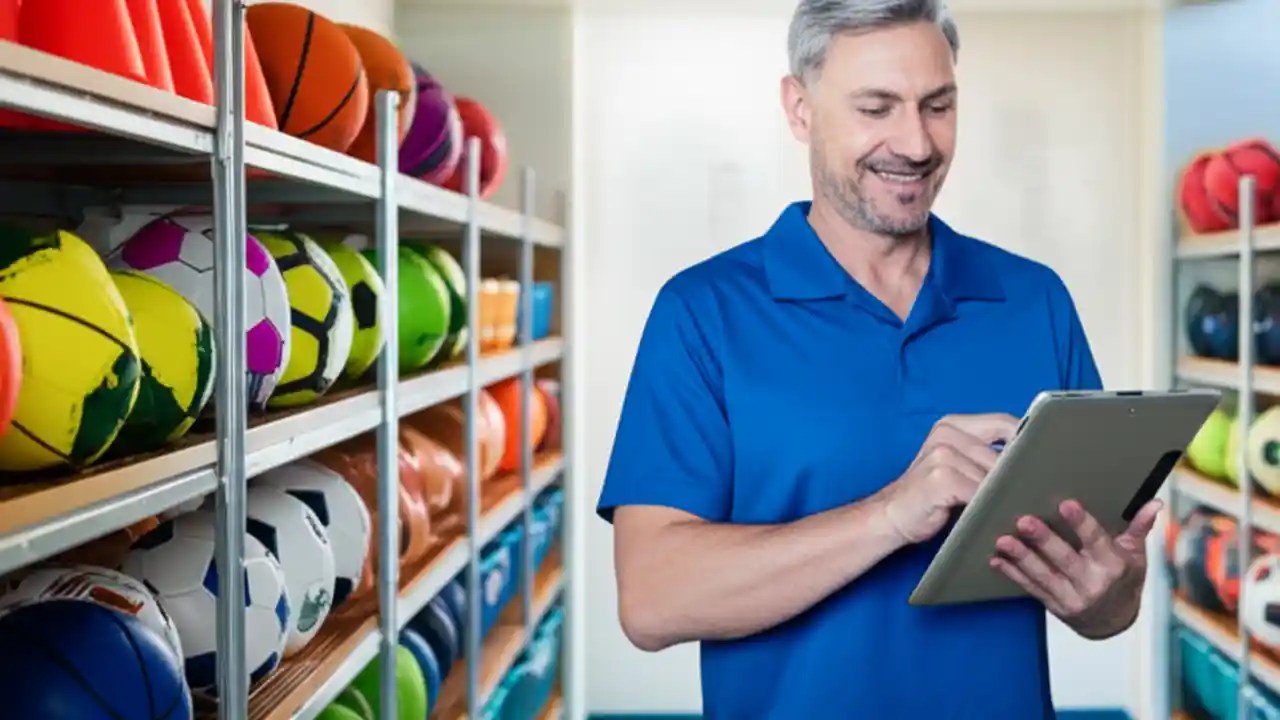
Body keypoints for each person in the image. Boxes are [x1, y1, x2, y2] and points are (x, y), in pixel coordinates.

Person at [596, 0, 1162, 718]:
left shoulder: (1034, 301)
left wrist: (1110, 590)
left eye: (938, 105)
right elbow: (651, 599)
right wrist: (892, 514)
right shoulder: (702, 313)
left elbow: (1105, 614)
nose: (917, 142)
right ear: (799, 109)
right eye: (876, 107)